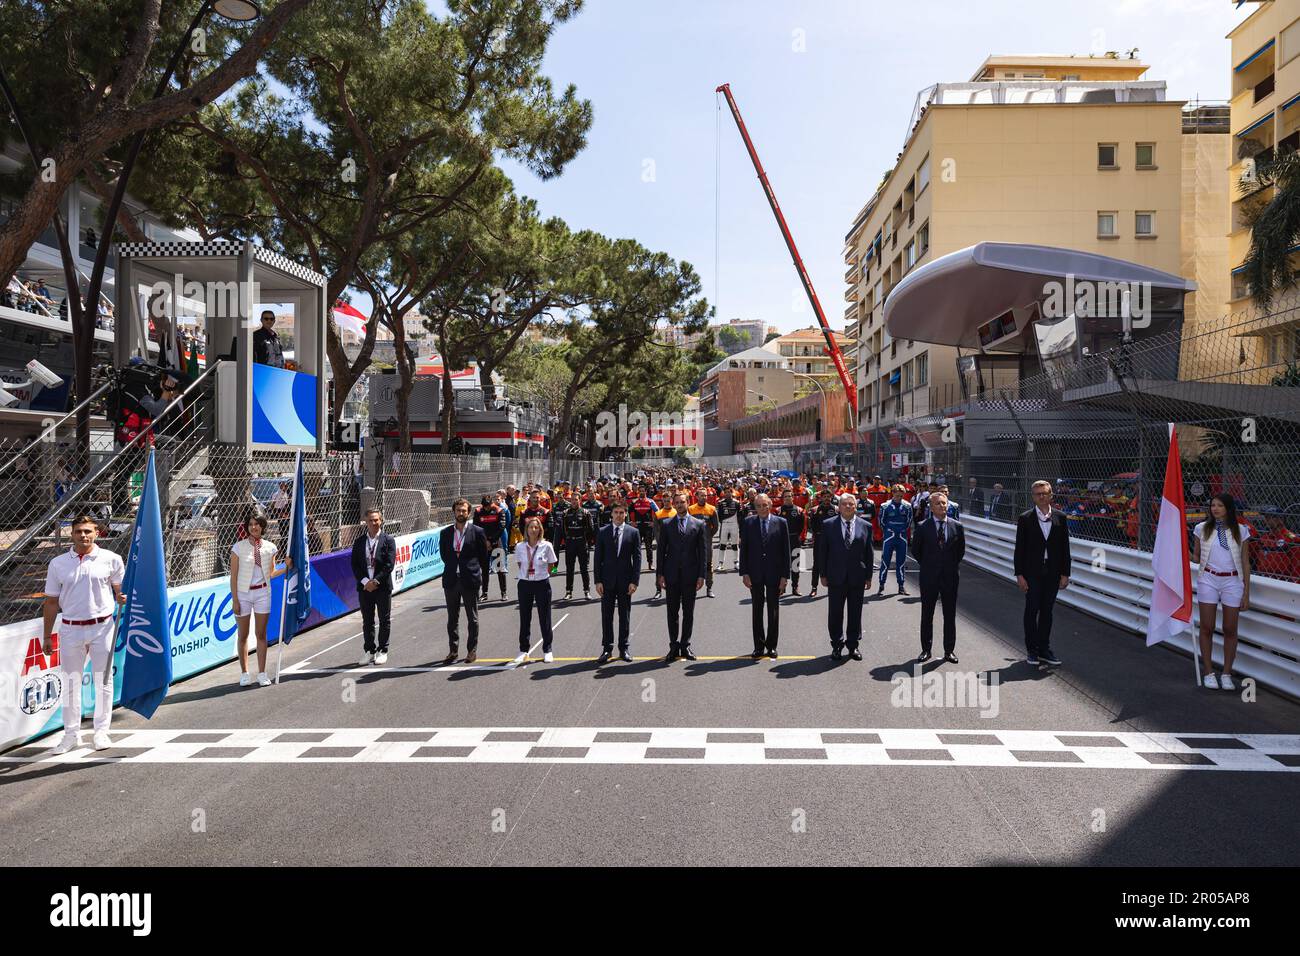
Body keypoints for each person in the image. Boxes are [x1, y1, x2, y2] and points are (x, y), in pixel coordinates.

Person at [42, 516, 126, 754]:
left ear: (97, 533)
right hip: (70, 628)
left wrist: (122, 597)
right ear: (72, 534)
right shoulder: (58, 564)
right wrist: (47, 636)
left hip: (102, 627)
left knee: (104, 680)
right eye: (78, 531)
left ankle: (101, 731)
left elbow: (121, 590)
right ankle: (71, 734)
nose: (83, 535)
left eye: (88, 531)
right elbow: (50, 602)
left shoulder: (112, 559)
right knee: (70, 683)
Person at [1192, 494, 1251, 690]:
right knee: (1207, 626)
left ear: (1229, 508)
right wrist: (1180, 547)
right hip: (1208, 578)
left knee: (1229, 628)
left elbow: (1245, 561)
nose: (1215, 508)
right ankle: (1208, 672)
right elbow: (1196, 557)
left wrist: (1246, 592)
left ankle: (1226, 672)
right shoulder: (1202, 528)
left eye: (1219, 505)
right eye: (1212, 505)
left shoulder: (1241, 530)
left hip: (1233, 581)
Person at [1013, 480, 1072, 668]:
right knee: (1032, 609)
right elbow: (1019, 549)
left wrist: (1065, 573)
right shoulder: (1025, 518)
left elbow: (1065, 548)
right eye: (1038, 494)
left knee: (1047, 611)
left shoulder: (1061, 517)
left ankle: (1044, 648)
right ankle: (1032, 649)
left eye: (1045, 493)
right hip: (1032, 572)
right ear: (1033, 497)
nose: (1041, 496)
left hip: (1053, 572)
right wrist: (1019, 575)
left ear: (1051, 495)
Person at [229, 513, 289, 686]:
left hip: (263, 593)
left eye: (257, 524)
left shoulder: (270, 547)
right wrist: (235, 600)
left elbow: (271, 573)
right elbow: (233, 577)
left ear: (263, 526)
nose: (253, 527)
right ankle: (244, 673)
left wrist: (286, 567)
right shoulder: (238, 548)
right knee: (243, 634)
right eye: (250, 524)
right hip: (243, 594)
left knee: (261, 634)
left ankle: (262, 673)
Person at [816, 493, 874, 661]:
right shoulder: (828, 525)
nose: (848, 507)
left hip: (857, 576)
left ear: (856, 507)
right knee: (835, 612)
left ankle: (853, 645)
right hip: (835, 576)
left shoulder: (865, 526)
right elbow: (823, 552)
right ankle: (836, 644)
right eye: (845, 504)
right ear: (839, 507)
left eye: (851, 504)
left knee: (855, 613)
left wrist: (868, 576)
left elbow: (869, 554)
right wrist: (823, 574)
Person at [911, 492, 965, 664]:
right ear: (931, 507)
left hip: (950, 577)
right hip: (929, 577)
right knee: (927, 614)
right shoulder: (922, 526)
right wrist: (930, 565)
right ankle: (926, 650)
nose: (942, 506)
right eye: (938, 504)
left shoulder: (957, 526)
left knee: (950, 615)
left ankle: (949, 650)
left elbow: (960, 552)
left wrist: (948, 565)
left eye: (944, 503)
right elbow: (916, 551)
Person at [656, 490, 708, 661]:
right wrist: (660, 574)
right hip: (671, 576)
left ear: (688, 503)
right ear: (673, 504)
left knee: (688, 612)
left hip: (690, 576)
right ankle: (673, 645)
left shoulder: (698, 524)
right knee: (672, 612)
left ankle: (685, 645)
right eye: (676, 502)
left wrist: (702, 575)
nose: (679, 505)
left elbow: (703, 552)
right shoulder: (666, 524)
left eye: (682, 502)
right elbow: (661, 551)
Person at [740, 494, 790, 659]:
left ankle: (772, 646)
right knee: (757, 609)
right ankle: (758, 646)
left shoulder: (781, 523)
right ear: (755, 507)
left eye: (765, 505)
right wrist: (744, 573)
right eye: (759, 505)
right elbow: (744, 549)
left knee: (773, 611)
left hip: (774, 573)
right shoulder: (748, 523)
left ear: (770, 505)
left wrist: (784, 576)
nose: (762, 508)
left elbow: (786, 552)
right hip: (754, 574)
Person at [439, 498, 488, 663]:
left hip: (470, 579)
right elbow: (444, 555)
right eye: (458, 510)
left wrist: (480, 577)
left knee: (472, 618)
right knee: (452, 618)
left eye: (464, 511)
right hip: (452, 580)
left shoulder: (478, 531)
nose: (461, 513)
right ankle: (453, 651)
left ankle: (471, 651)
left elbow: (483, 558)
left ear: (469, 513)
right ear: (454, 512)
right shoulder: (445, 533)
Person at [594, 502, 641, 663]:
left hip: (625, 581)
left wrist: (634, 581)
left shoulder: (633, 532)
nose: (619, 515)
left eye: (622, 512)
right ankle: (607, 649)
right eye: (616, 512)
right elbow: (597, 558)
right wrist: (597, 580)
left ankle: (624, 648)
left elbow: (637, 559)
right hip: (606, 582)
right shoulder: (602, 532)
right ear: (611, 514)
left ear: (626, 514)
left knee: (624, 616)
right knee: (607, 616)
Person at [352, 508, 397, 666]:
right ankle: (369, 650)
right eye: (370, 520)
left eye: (376, 520)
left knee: (384, 619)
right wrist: (365, 582)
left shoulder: (388, 540)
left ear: (381, 521)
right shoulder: (359, 542)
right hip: (365, 588)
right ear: (366, 522)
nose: (374, 523)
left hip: (382, 586)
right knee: (367, 620)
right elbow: (355, 565)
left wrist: (376, 581)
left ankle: (383, 650)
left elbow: (389, 565)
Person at [513, 516, 559, 664]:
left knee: (544, 617)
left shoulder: (547, 545)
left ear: (540, 529)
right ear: (526, 530)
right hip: (525, 584)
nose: (533, 530)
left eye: (536, 527)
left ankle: (548, 649)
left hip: (542, 583)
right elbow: (521, 565)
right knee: (525, 618)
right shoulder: (520, 547)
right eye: (530, 527)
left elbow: (553, 565)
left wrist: (546, 573)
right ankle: (523, 650)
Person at [557, 490, 594, 601]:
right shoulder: (565, 513)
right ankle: (569, 592)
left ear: (580, 501)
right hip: (570, 543)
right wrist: (568, 539)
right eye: (572, 500)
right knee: (569, 569)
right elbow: (563, 530)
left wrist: (585, 540)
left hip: (582, 543)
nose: (573, 502)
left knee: (584, 568)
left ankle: (587, 591)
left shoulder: (585, 513)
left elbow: (590, 529)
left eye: (576, 500)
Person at [877, 484, 913, 595]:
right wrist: (889, 531)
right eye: (897, 495)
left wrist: (900, 530)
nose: (899, 498)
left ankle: (901, 586)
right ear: (892, 493)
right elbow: (881, 521)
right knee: (885, 560)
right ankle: (881, 585)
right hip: (889, 536)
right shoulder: (885, 505)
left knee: (901, 562)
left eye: (901, 496)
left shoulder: (907, 506)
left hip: (902, 537)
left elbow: (909, 521)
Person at [473, 494, 508, 601]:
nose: (486, 508)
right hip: (483, 544)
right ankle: (484, 593)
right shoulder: (478, 511)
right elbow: (476, 527)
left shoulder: (499, 510)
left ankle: (504, 592)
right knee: (484, 569)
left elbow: (501, 527)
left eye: (488, 506)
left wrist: (492, 540)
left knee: (500, 569)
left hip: (496, 543)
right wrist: (485, 541)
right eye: (484, 506)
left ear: (492, 503)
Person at [806, 488, 836, 599]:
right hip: (819, 540)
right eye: (825, 496)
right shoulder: (815, 510)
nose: (827, 498)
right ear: (821, 497)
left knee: (832, 564)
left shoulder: (837, 509)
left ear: (831, 497)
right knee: (817, 565)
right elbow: (811, 526)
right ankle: (814, 588)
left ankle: (832, 587)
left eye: (829, 496)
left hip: (833, 541)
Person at [688, 489, 719, 597]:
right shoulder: (691, 509)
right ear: (697, 496)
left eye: (705, 495)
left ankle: (709, 588)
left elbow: (716, 526)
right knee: (693, 565)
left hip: (707, 543)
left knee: (708, 565)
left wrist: (708, 535)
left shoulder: (712, 509)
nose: (704, 497)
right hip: (693, 543)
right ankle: (693, 588)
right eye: (701, 495)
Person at [715, 486, 741, 572]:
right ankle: (720, 563)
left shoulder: (737, 503)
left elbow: (740, 515)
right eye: (725, 492)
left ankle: (736, 562)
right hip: (724, 525)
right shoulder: (721, 503)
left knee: (735, 544)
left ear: (732, 492)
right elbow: (719, 515)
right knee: (722, 544)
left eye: (729, 492)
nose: (727, 494)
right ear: (724, 493)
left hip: (734, 525)